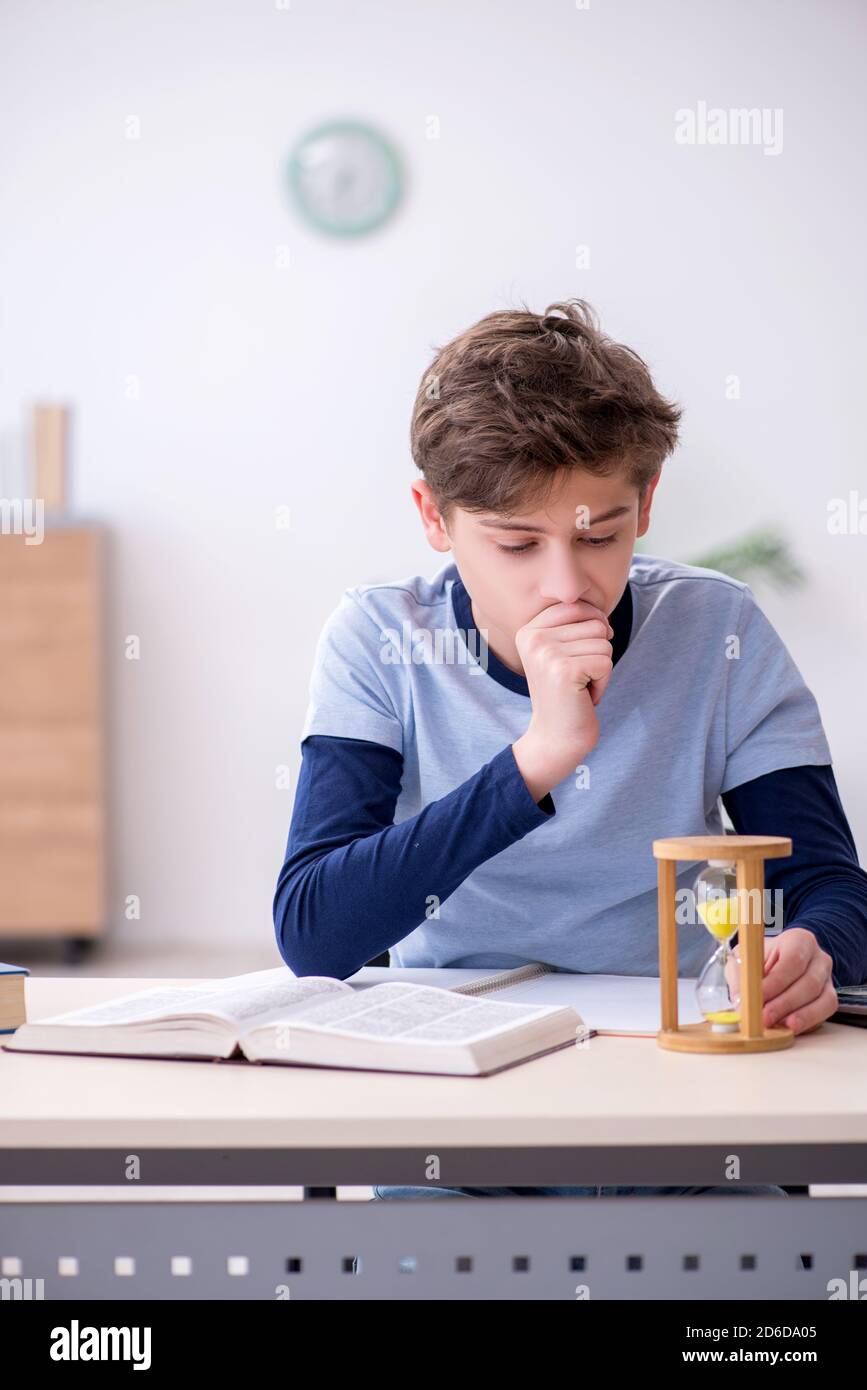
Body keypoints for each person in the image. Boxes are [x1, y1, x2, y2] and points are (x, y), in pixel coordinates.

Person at [273, 299, 867, 1201]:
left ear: (646, 506)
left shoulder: (715, 627)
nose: (566, 586)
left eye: (600, 536)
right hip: (456, 1084)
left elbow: (830, 884)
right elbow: (315, 933)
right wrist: (538, 757)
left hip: (682, 1077)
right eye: (516, 543)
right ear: (433, 517)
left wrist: (815, 949)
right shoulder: (378, 638)